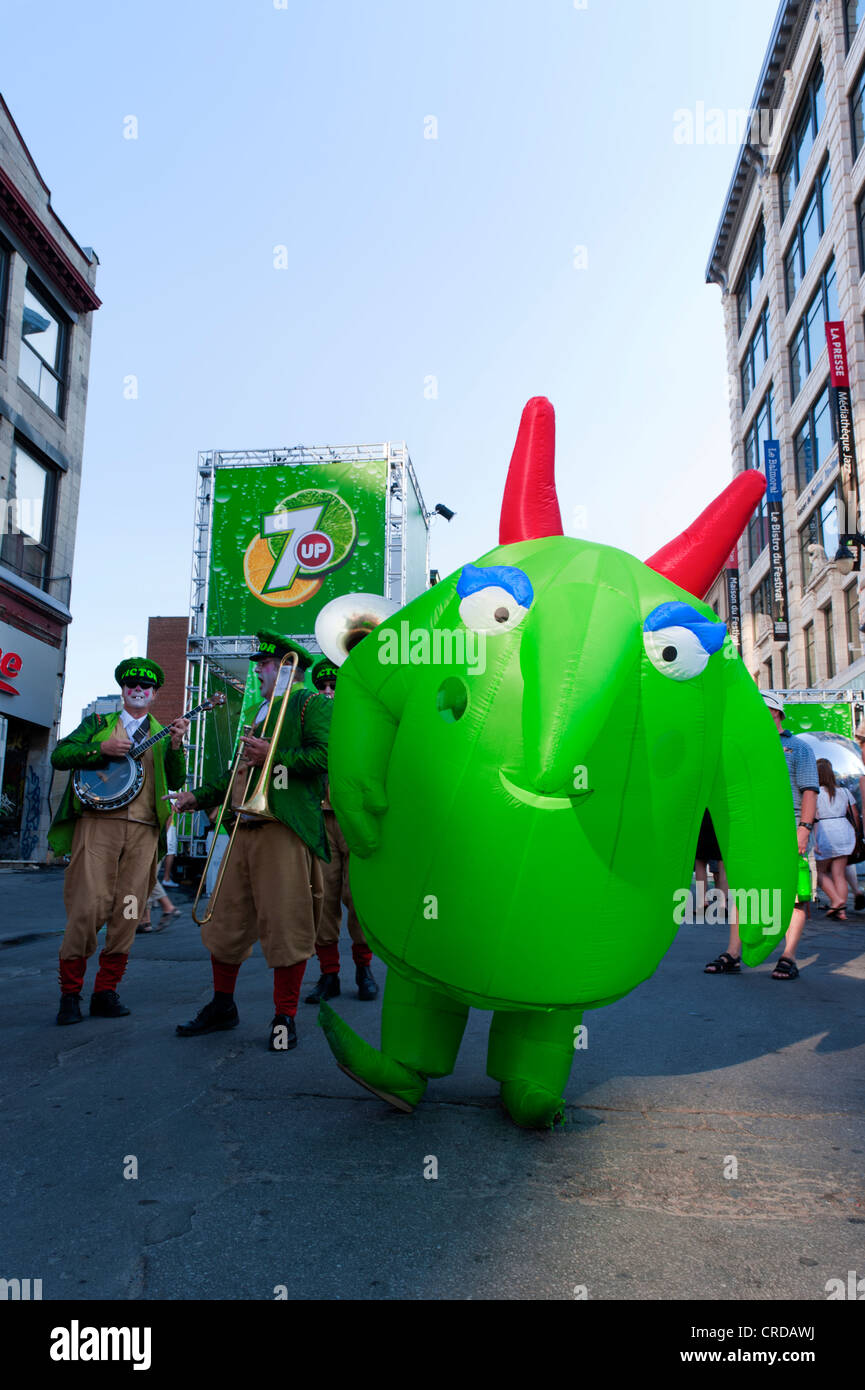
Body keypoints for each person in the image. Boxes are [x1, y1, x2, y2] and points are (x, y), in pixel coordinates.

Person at [174, 631, 332, 1050]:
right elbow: (235, 779)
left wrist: (273, 756)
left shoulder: (310, 703)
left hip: (282, 830)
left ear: (285, 666)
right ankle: (223, 1006)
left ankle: (285, 1017)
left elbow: (326, 756)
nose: (257, 671)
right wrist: (196, 798)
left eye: (262, 665)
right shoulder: (261, 713)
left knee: (286, 927)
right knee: (224, 922)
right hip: (242, 827)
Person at [49, 658, 188, 1024]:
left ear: (155, 694)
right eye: (130, 684)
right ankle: (70, 993)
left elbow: (175, 781)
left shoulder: (163, 732)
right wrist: (100, 750)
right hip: (98, 826)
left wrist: (176, 746)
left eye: (145, 686)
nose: (137, 689)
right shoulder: (98, 725)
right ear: (124, 690)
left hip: (143, 832)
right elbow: (60, 755)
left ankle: (105, 991)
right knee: (87, 906)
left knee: (128, 910)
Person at [703, 691, 818, 981]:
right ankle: (733, 953)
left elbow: (809, 791)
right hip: (753, 831)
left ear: (776, 713)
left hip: (791, 829)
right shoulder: (747, 749)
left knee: (794, 895)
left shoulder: (798, 748)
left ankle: (788, 956)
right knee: (745, 892)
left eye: (761, 710)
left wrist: (803, 829)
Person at [304, 657, 378, 1004]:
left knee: (359, 899)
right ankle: (328, 975)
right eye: (323, 687)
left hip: (355, 817)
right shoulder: (310, 720)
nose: (329, 692)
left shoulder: (365, 719)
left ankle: (364, 970)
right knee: (323, 901)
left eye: (335, 686)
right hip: (321, 817)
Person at [813, 757, 857, 922]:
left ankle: (836, 900)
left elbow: (813, 817)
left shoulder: (814, 793)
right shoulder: (844, 791)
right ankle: (841, 911)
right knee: (839, 874)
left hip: (824, 832)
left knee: (817, 872)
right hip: (844, 831)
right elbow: (853, 814)